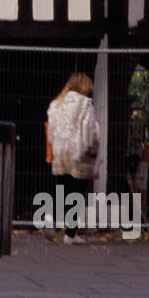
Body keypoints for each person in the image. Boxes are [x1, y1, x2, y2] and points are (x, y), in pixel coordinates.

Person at [45, 72, 101, 244]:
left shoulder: (57, 104)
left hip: (61, 154)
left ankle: (51, 217)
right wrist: (93, 148)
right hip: (79, 156)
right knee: (76, 194)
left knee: (61, 190)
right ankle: (70, 234)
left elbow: (51, 131)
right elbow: (90, 132)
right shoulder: (85, 105)